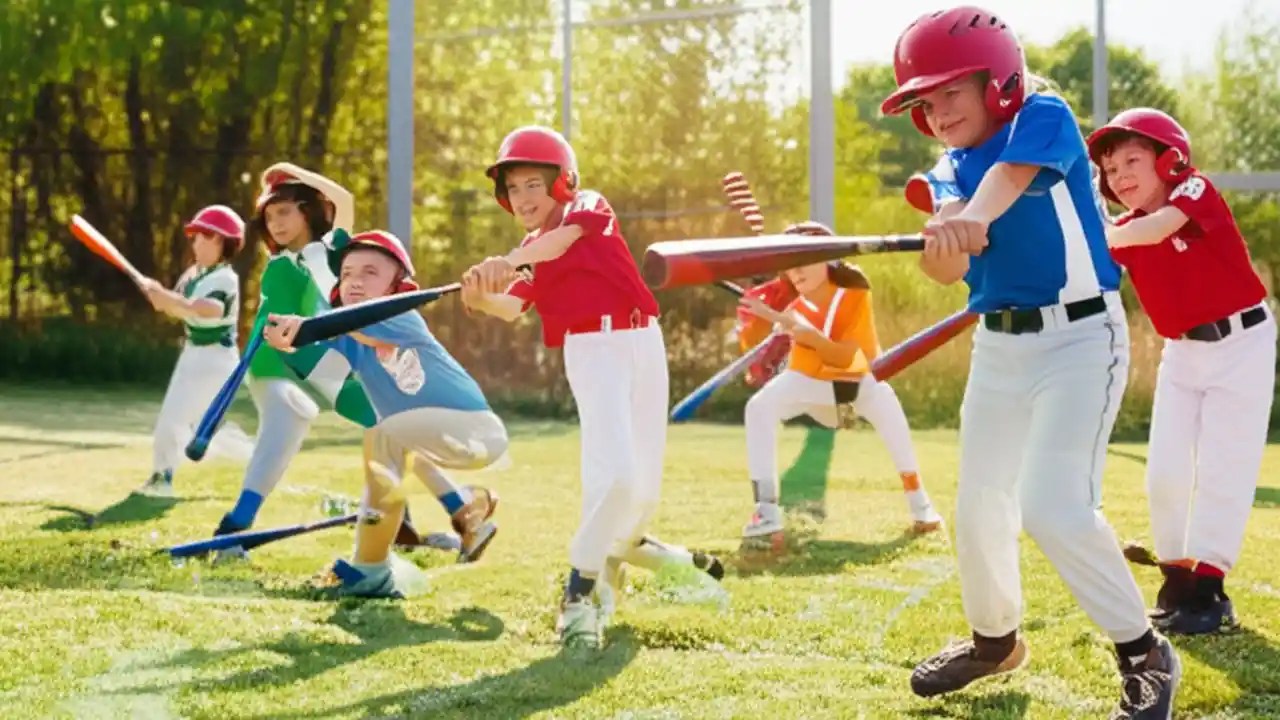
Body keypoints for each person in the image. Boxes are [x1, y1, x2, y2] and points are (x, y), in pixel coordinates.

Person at [878, 6, 1179, 717]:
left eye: (952, 91)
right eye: (925, 100)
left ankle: (1143, 653)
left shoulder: (1043, 116)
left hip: (1079, 341)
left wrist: (969, 218)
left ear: (999, 79)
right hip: (999, 347)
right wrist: (945, 243)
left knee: (1054, 505)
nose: (938, 110)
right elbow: (950, 272)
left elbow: (1004, 187)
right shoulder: (948, 169)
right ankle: (995, 641)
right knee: (979, 502)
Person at [460, 125, 724, 650]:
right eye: (513, 189)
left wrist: (508, 261)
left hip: (642, 341)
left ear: (563, 182)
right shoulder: (534, 249)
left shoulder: (588, 206)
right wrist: (479, 296)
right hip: (592, 352)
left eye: (534, 184)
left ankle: (657, 561)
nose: (523, 198)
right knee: (617, 477)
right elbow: (513, 306)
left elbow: (565, 241)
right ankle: (579, 590)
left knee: (642, 490)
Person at [1087, 107, 1276, 635]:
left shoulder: (1194, 191)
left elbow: (1160, 227)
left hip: (1244, 344)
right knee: (1165, 469)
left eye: (1132, 160)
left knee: (1223, 467)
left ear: (1169, 160)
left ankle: (1211, 589)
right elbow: (1093, 264)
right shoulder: (1123, 230)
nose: (1120, 176)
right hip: (1183, 352)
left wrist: (1101, 236)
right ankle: (1176, 576)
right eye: (1111, 168)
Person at [264, 230, 503, 597]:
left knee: (384, 432)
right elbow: (324, 352)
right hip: (427, 433)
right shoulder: (348, 335)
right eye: (347, 274)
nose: (355, 282)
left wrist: (304, 328)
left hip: (474, 430)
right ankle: (379, 562)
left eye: (370, 273)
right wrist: (289, 342)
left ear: (397, 287)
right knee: (390, 453)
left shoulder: (400, 316)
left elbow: (351, 324)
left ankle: (381, 559)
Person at [736, 221, 944, 546]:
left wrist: (813, 337)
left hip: (856, 386)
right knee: (759, 408)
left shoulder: (854, 290)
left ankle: (920, 503)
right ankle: (766, 512)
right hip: (806, 383)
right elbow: (751, 345)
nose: (796, 272)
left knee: (888, 406)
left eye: (804, 259)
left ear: (827, 258)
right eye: (789, 264)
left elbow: (850, 360)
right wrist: (757, 314)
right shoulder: (785, 297)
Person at [211, 163, 381, 556]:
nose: (276, 223)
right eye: (269, 216)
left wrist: (289, 170)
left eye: (285, 210)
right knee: (284, 425)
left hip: (328, 356)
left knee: (387, 421)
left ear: (307, 210)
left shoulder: (334, 249)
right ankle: (234, 526)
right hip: (283, 360)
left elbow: (345, 200)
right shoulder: (280, 265)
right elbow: (270, 324)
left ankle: (409, 513)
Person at [135, 205, 249, 497]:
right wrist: (158, 296)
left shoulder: (225, 277)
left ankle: (163, 478)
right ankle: (165, 475)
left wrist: (169, 299)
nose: (194, 241)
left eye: (200, 235)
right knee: (187, 424)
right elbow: (175, 306)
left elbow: (210, 309)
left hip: (216, 360)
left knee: (178, 422)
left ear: (218, 240)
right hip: (193, 354)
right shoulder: (192, 274)